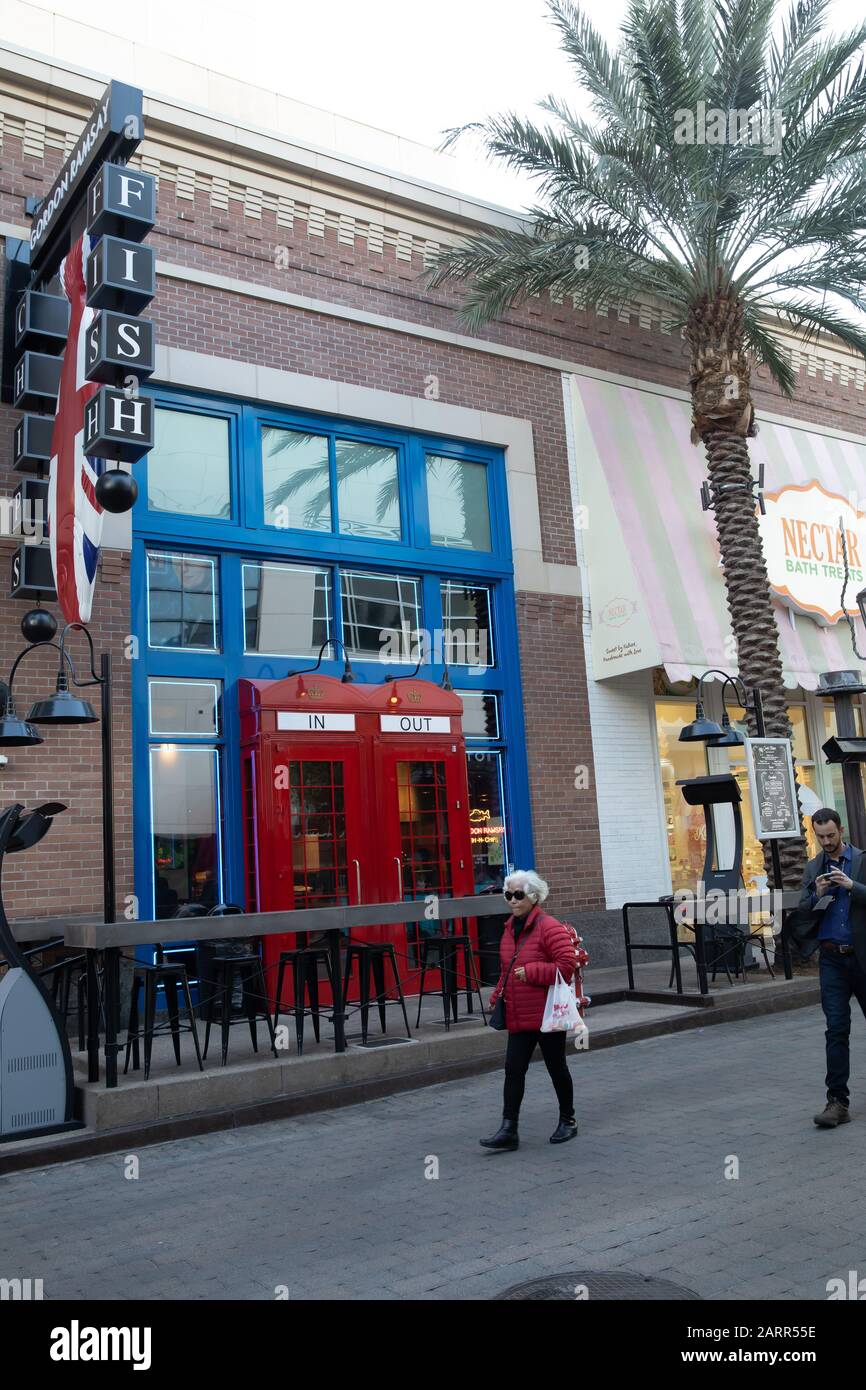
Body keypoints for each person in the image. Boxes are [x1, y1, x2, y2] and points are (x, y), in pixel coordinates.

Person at [480, 869, 580, 1151]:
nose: (512, 900)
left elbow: (567, 966)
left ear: (533, 897)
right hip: (519, 1013)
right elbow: (507, 967)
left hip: (547, 1013)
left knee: (556, 1067)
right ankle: (508, 1129)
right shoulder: (508, 928)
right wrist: (498, 992)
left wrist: (533, 971)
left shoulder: (548, 926)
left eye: (518, 895)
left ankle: (568, 1120)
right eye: (508, 894)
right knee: (513, 1070)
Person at [794, 808, 866, 1128]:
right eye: (820, 836)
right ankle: (837, 1102)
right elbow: (802, 912)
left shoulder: (862, 861)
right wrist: (816, 893)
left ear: (842, 830)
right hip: (832, 959)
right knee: (836, 1029)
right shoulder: (814, 867)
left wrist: (852, 885)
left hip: (863, 956)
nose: (826, 841)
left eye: (831, 835)